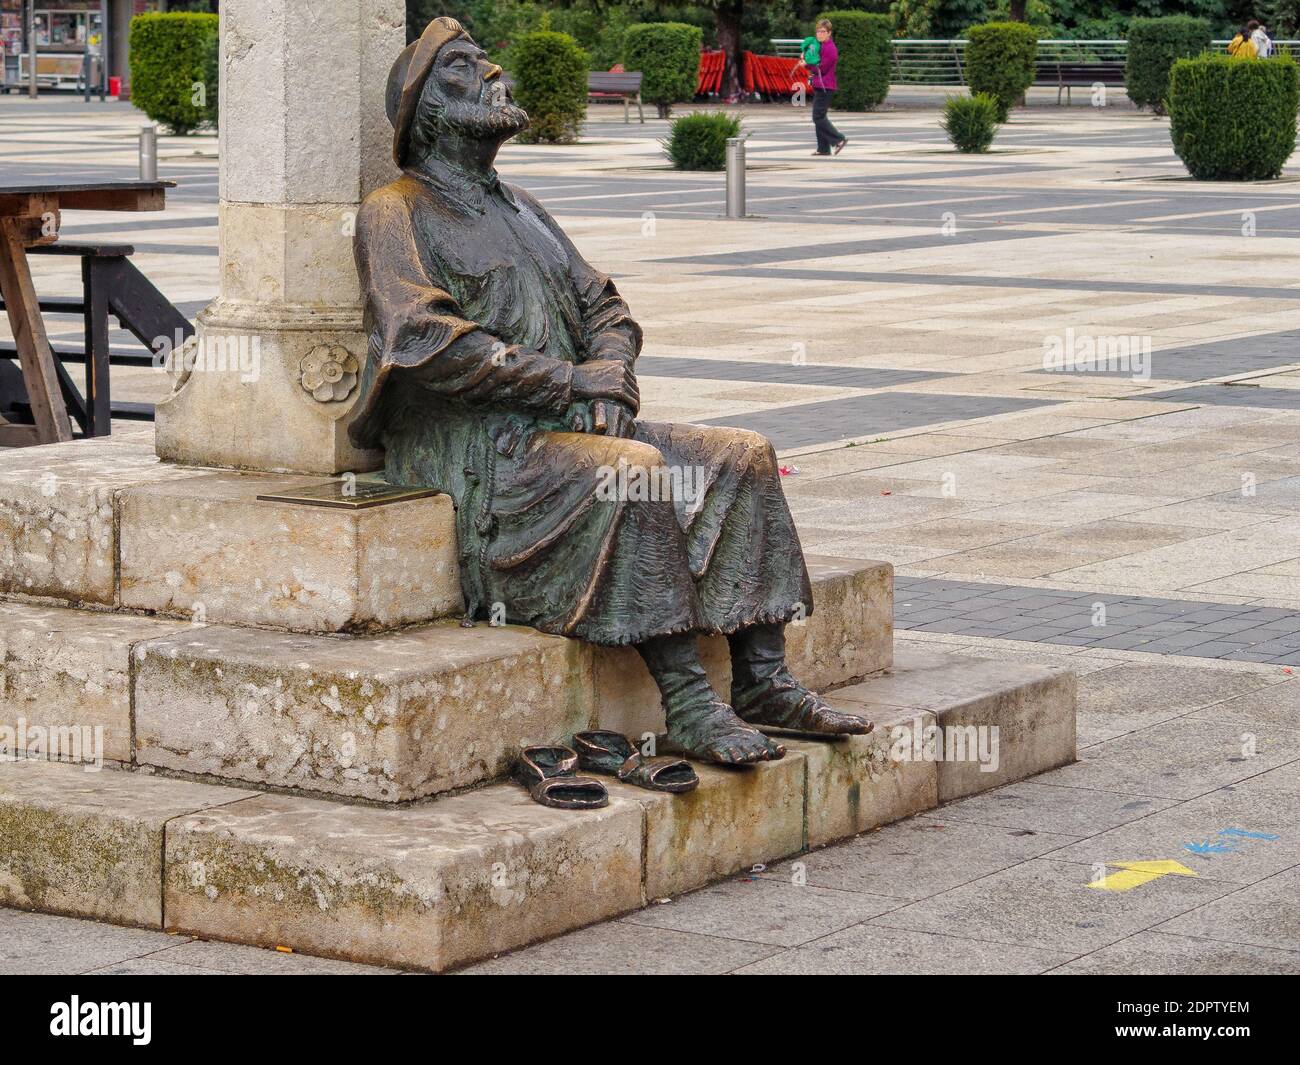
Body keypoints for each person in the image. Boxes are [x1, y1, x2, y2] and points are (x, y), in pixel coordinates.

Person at [349, 18, 873, 767]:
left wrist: (611, 379)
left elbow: (605, 305)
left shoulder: (522, 205)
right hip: (483, 455)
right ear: (428, 109)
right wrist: (569, 379)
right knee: (633, 471)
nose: (493, 69)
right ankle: (689, 702)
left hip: (571, 427)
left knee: (742, 456)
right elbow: (420, 337)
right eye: (464, 67)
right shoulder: (395, 210)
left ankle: (763, 678)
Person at [803, 18, 846, 156]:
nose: (819, 34)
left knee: (818, 117)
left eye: (823, 31)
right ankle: (823, 148)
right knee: (820, 116)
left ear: (829, 33)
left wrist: (807, 64)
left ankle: (839, 139)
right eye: (818, 31)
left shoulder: (830, 49)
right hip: (820, 85)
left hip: (825, 86)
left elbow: (821, 68)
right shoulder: (820, 46)